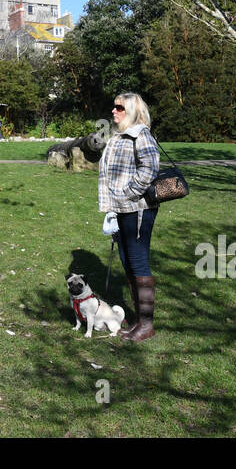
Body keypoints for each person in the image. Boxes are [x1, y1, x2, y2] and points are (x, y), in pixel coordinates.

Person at [97, 91, 159, 341]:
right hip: (121, 209)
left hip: (137, 209)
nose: (114, 111)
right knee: (127, 261)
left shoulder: (141, 135)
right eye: (114, 107)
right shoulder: (118, 136)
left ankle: (147, 325)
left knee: (138, 262)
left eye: (120, 108)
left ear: (133, 111)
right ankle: (138, 321)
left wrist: (128, 193)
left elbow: (150, 168)